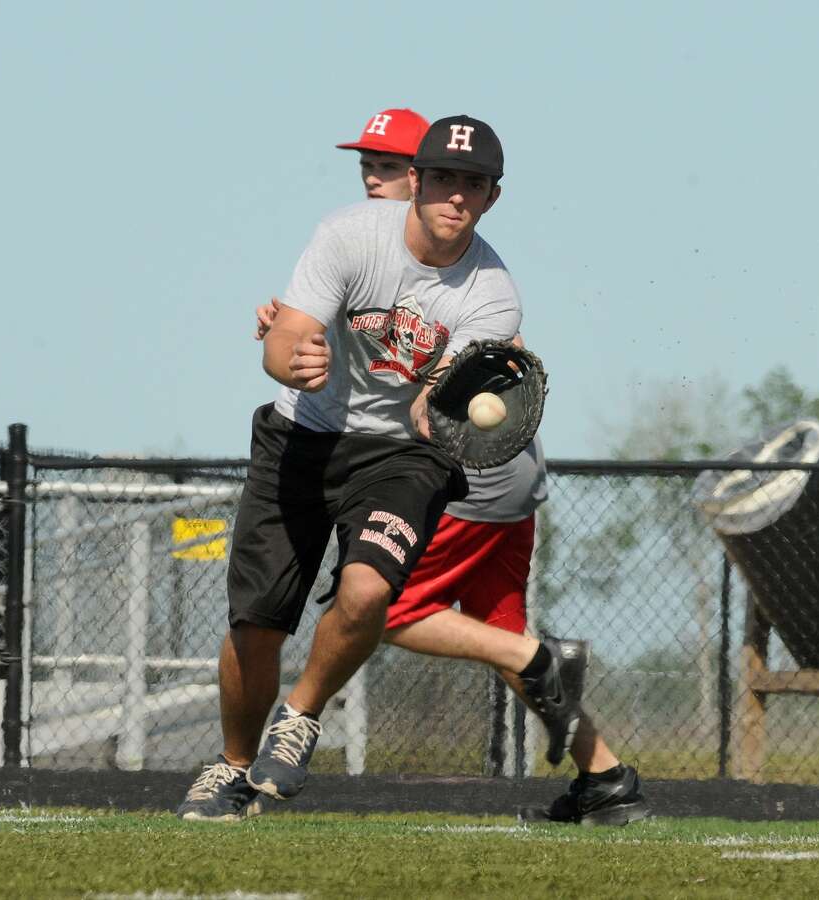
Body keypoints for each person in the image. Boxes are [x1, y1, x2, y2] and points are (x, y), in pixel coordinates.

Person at [252, 108, 650, 827]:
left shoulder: (474, 278)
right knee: (504, 640)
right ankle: (607, 777)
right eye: (368, 166)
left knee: (384, 608)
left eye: (386, 165)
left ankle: (540, 656)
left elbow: (424, 414)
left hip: (471, 473)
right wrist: (291, 336)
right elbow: (324, 330)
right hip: (505, 479)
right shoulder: (359, 242)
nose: (375, 179)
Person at [177, 114, 548, 822]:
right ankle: (230, 766)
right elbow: (287, 330)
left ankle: (302, 715)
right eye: (443, 178)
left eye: (474, 184)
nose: (456, 196)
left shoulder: (493, 294)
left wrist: (438, 404)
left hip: (402, 455)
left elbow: (434, 411)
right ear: (416, 181)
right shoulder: (350, 235)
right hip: (301, 433)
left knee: (369, 589)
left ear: (493, 197)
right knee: (256, 624)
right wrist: (286, 355)